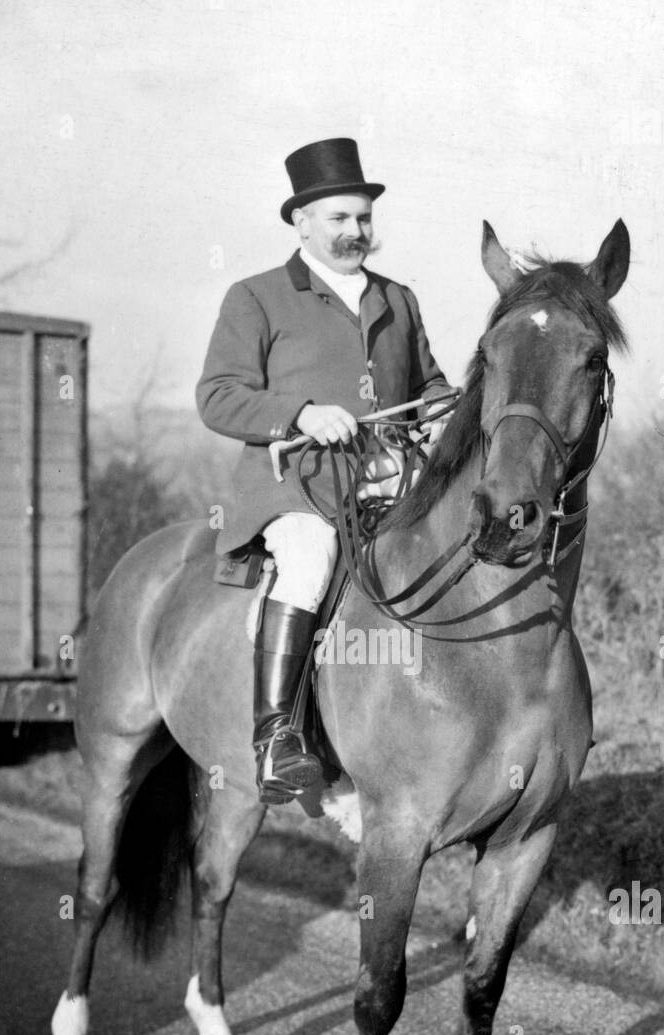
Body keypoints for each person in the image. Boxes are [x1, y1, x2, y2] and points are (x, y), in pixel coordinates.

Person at [196, 137, 451, 803]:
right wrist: (301, 413)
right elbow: (217, 396)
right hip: (297, 486)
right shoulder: (255, 297)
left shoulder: (397, 299)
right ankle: (276, 736)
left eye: (362, 218)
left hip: (392, 480)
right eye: (338, 219)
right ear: (300, 220)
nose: (354, 232)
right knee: (310, 558)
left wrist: (444, 409)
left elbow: (426, 384)